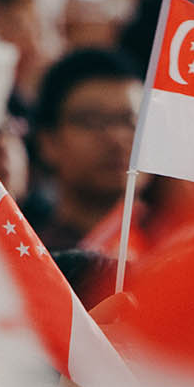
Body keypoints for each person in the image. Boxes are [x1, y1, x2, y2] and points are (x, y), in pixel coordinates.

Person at [26, 49, 140, 252]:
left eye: (130, 122)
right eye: (92, 121)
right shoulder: (27, 253)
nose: (116, 137)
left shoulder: (177, 250)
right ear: (48, 142)